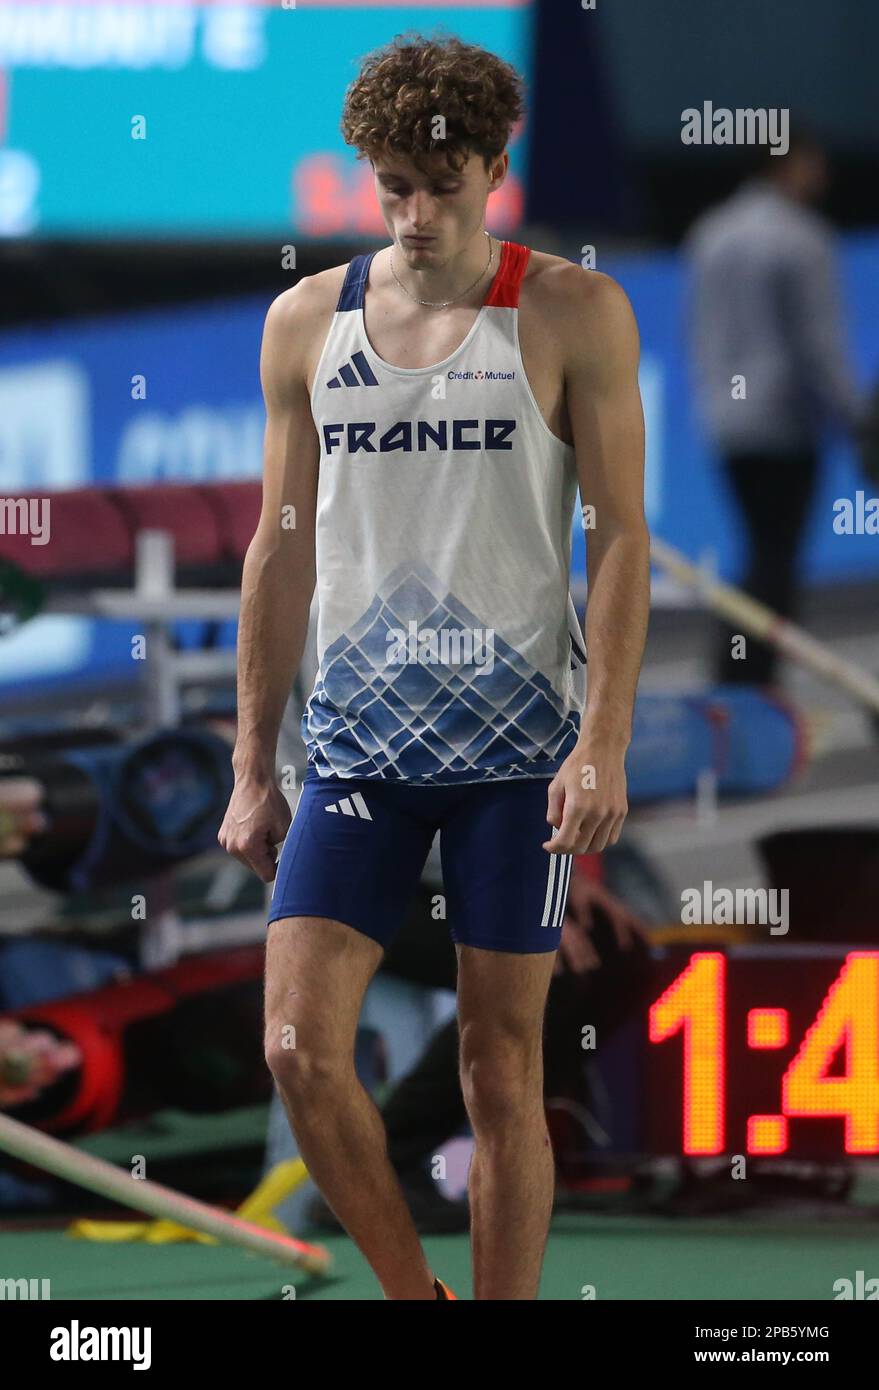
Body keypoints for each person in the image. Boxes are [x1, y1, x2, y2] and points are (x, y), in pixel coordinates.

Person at [218, 32, 649, 1301]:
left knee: (497, 1066)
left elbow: (622, 537)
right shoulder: (307, 325)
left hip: (519, 754)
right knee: (299, 1048)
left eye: (440, 184)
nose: (413, 213)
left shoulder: (572, 310)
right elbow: (276, 553)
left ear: (497, 169)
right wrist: (252, 763)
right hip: (357, 748)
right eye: (391, 184)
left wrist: (605, 738)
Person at [685, 125, 866, 686]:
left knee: (763, 554)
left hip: (726, 422)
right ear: (789, 164)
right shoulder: (803, 239)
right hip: (784, 425)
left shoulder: (710, 233)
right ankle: (747, 682)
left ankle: (741, 677)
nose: (823, 172)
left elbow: (701, 330)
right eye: (813, 159)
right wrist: (856, 417)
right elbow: (816, 347)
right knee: (775, 560)